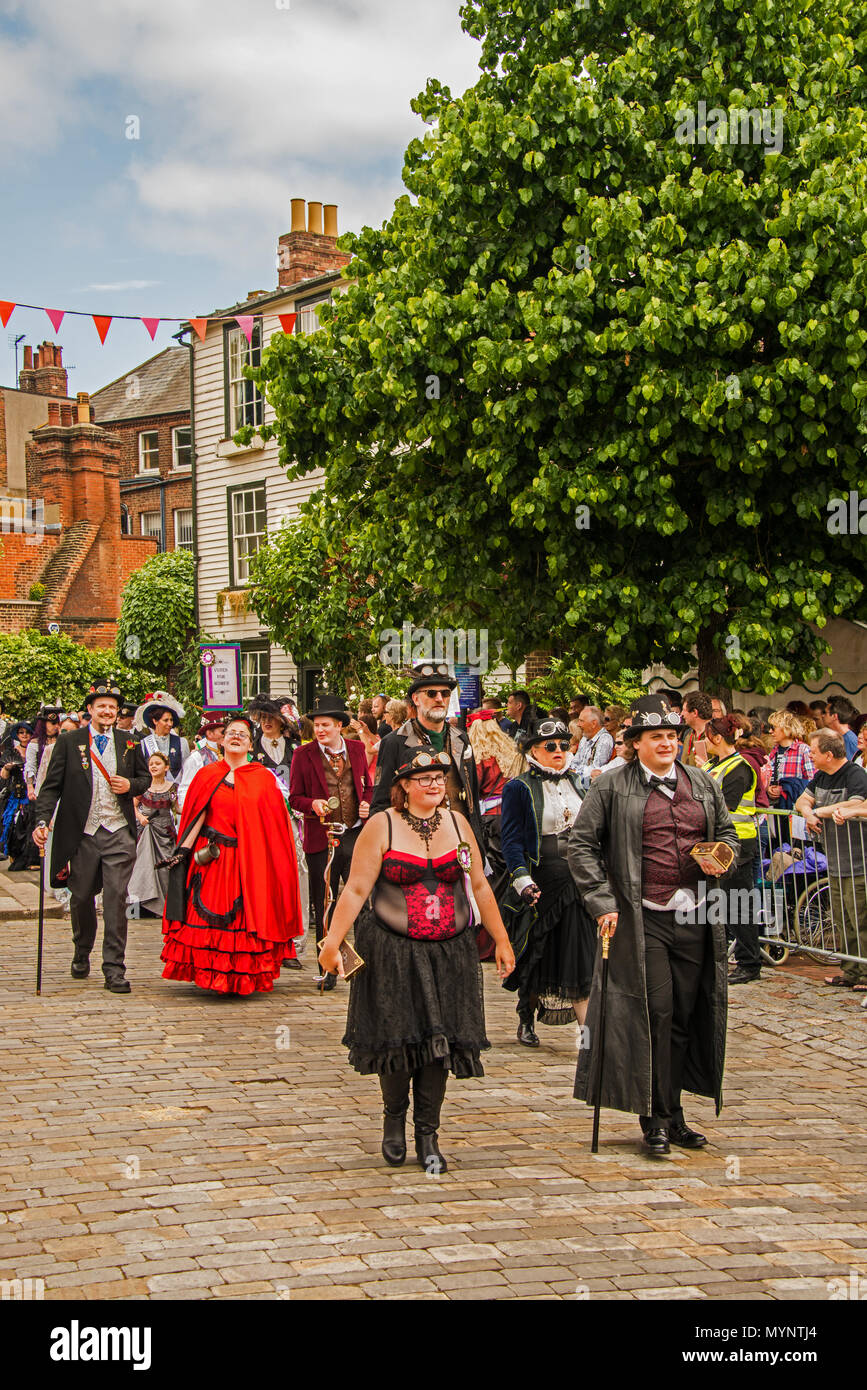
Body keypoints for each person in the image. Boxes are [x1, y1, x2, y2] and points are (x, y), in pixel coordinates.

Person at [319, 747, 515, 1174]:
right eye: (422, 777)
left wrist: (501, 939)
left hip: (451, 951)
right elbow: (354, 890)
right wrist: (333, 941)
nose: (433, 784)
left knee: (437, 1044)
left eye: (438, 777)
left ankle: (428, 1132)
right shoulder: (381, 825)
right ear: (403, 785)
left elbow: (479, 885)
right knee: (399, 1037)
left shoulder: (459, 823)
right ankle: (394, 1120)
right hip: (392, 949)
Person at [568, 693, 737, 1155]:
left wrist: (722, 855)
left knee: (684, 1013)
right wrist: (603, 902)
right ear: (636, 743)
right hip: (643, 918)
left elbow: (726, 833)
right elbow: (581, 846)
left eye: (672, 735)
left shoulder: (702, 784)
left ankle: (676, 1112)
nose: (666, 742)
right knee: (656, 1012)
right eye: (656, 736)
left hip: (696, 915)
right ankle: (655, 1118)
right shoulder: (611, 786)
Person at [161, 716, 303, 994]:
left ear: (250, 744)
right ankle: (210, 975)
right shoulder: (207, 775)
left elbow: (274, 826)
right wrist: (182, 852)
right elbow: (197, 816)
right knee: (206, 917)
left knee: (245, 917)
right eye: (231, 733)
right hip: (212, 859)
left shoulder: (263, 778)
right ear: (222, 740)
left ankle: (242, 976)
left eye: (242, 734)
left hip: (249, 860)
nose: (236, 737)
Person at [33, 676, 150, 993]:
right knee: (82, 897)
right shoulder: (70, 743)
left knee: (116, 899)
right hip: (83, 834)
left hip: (118, 832)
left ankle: (114, 968)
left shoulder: (129, 741)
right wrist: (41, 821)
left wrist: (131, 786)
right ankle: (81, 948)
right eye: (102, 706)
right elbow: (51, 789)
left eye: (113, 706)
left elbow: (144, 779)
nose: (108, 711)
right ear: (90, 709)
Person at [500, 719, 596, 1045]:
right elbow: (511, 841)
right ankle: (526, 1015)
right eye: (550, 746)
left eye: (563, 745)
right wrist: (521, 880)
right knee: (537, 953)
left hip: (579, 878)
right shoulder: (519, 788)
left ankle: (589, 1040)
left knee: (581, 952)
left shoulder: (580, 783)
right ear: (534, 751)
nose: (558, 751)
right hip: (543, 879)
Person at [288, 695, 373, 991]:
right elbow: (294, 797)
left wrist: (367, 804)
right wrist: (313, 804)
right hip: (321, 837)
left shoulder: (358, 749)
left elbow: (368, 787)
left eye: (326, 725)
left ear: (339, 725)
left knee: (361, 900)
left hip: (355, 834)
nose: (320, 730)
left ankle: (362, 965)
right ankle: (329, 968)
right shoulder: (303, 754)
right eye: (317, 725)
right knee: (324, 902)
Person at [371, 661, 484, 854]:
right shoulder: (395, 742)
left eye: (445, 693)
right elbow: (381, 803)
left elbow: (472, 795)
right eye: (431, 693)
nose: (439, 698)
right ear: (415, 698)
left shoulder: (461, 739)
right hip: (413, 847)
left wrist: (479, 843)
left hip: (459, 842)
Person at [795, 730, 867, 988]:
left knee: (860, 920)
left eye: (813, 752)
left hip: (858, 861)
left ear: (828, 754)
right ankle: (850, 970)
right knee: (842, 919)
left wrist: (817, 811)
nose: (810, 756)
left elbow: (854, 805)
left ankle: (865, 973)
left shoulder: (855, 775)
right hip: (835, 860)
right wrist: (808, 812)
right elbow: (801, 800)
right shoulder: (820, 776)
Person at [702, 716, 762, 984]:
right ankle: (728, 958)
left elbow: (724, 806)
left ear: (716, 738)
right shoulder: (712, 764)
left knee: (739, 904)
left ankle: (750, 963)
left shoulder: (740, 767)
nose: (703, 742)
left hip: (738, 844)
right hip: (717, 844)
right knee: (721, 904)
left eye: (706, 736)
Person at [127, 751, 178, 917]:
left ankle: (163, 907)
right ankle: (136, 909)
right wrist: (141, 817)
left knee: (166, 869)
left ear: (166, 767)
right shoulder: (144, 786)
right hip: (148, 830)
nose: (154, 766)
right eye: (151, 764)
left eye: (158, 763)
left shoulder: (172, 787)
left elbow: (177, 808)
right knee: (143, 867)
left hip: (166, 832)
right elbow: (132, 805)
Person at [135, 692, 189, 782]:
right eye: (166, 720)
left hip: (176, 791)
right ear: (155, 721)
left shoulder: (181, 742)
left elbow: (187, 770)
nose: (170, 724)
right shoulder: (144, 744)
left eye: (171, 720)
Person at [766, 709, 814, 809]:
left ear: (786, 728)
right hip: (775, 806)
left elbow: (812, 781)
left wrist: (787, 788)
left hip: (795, 807)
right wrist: (769, 788)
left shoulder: (803, 750)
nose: (770, 731)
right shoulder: (773, 751)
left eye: (773, 728)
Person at [178, 716, 226, 811]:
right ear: (209, 733)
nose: (225, 735)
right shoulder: (197, 758)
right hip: (204, 809)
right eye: (222, 732)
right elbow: (185, 788)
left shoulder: (227, 754)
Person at [254, 700, 299, 792]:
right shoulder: (251, 747)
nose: (267, 721)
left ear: (281, 721)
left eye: (271, 717)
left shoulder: (296, 747)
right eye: (263, 717)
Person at [571, 706, 614, 786]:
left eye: (581, 721)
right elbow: (575, 761)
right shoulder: (585, 737)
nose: (578, 724)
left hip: (590, 786)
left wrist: (575, 771)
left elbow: (595, 770)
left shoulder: (605, 739)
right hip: (579, 781)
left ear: (593, 723)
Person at [678, 691, 712, 766]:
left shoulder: (714, 737)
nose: (682, 714)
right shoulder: (688, 736)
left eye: (684, 710)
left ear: (694, 712)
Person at [825, 696, 859, 760]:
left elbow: (854, 768)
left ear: (835, 716)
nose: (822, 715)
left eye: (825, 713)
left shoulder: (850, 741)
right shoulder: (840, 738)